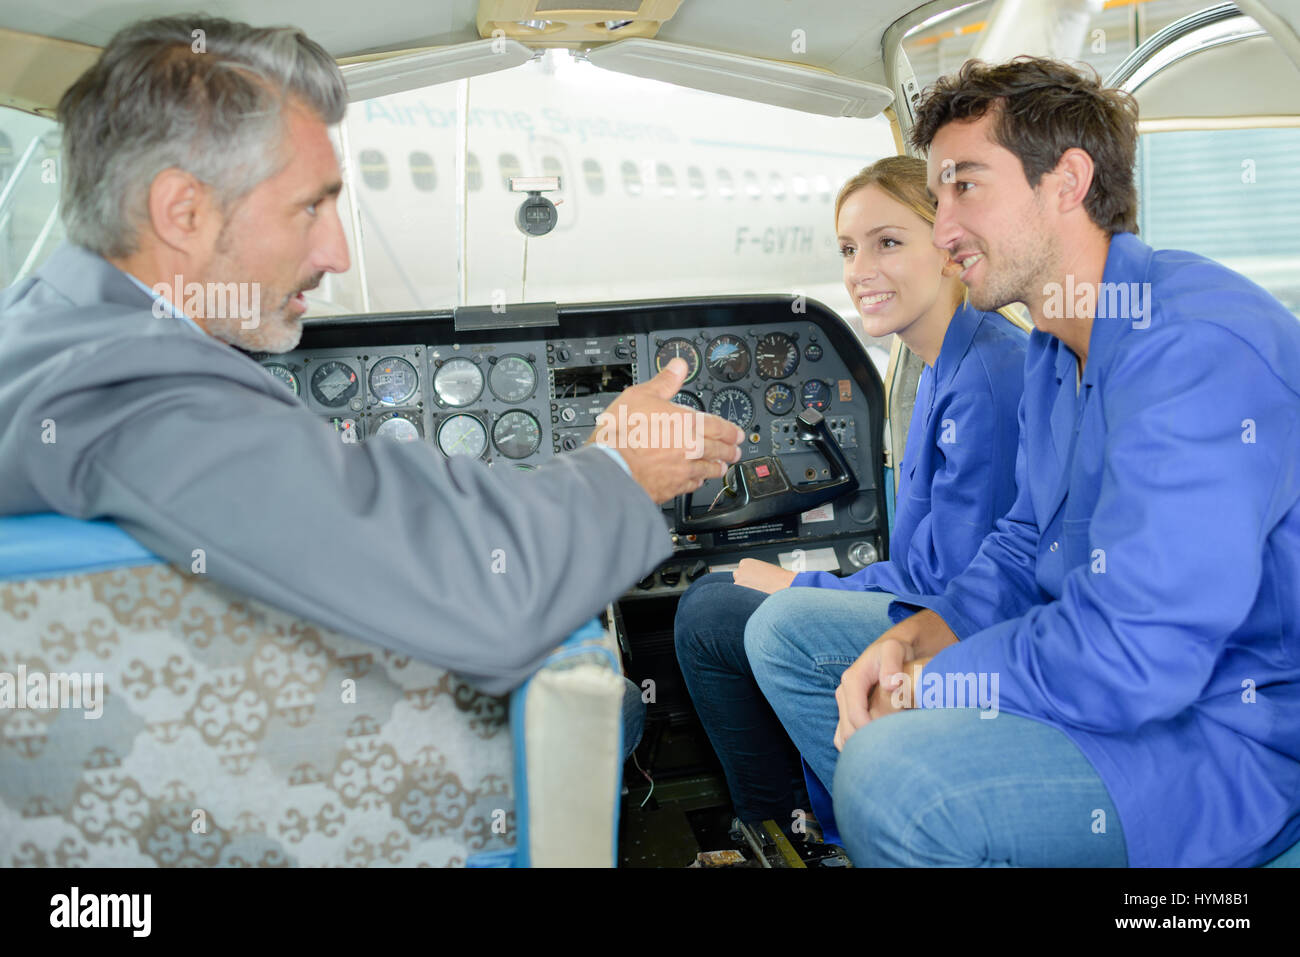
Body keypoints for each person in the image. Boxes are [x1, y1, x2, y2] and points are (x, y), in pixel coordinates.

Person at [0, 17, 745, 696]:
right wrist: (622, 466)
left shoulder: (51, 332)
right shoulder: (137, 392)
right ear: (182, 211)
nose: (336, 251)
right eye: (309, 207)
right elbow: (486, 598)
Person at [751, 56, 1300, 867]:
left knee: (898, 781)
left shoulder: (1193, 353)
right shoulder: (1054, 344)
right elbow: (1020, 546)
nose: (942, 229)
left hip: (1222, 737)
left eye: (966, 187)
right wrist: (918, 638)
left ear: (1067, 181)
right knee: (801, 646)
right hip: (1108, 681)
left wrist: (938, 682)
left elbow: (1136, 654)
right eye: (938, 196)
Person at [673, 155, 1027, 836]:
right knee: (712, 601)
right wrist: (813, 580)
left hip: (959, 634)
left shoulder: (984, 376)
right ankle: (782, 824)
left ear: (952, 247)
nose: (859, 269)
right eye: (847, 249)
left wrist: (800, 586)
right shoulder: (937, 368)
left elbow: (954, 591)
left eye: (887, 242)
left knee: (714, 612)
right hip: (932, 599)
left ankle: (825, 826)